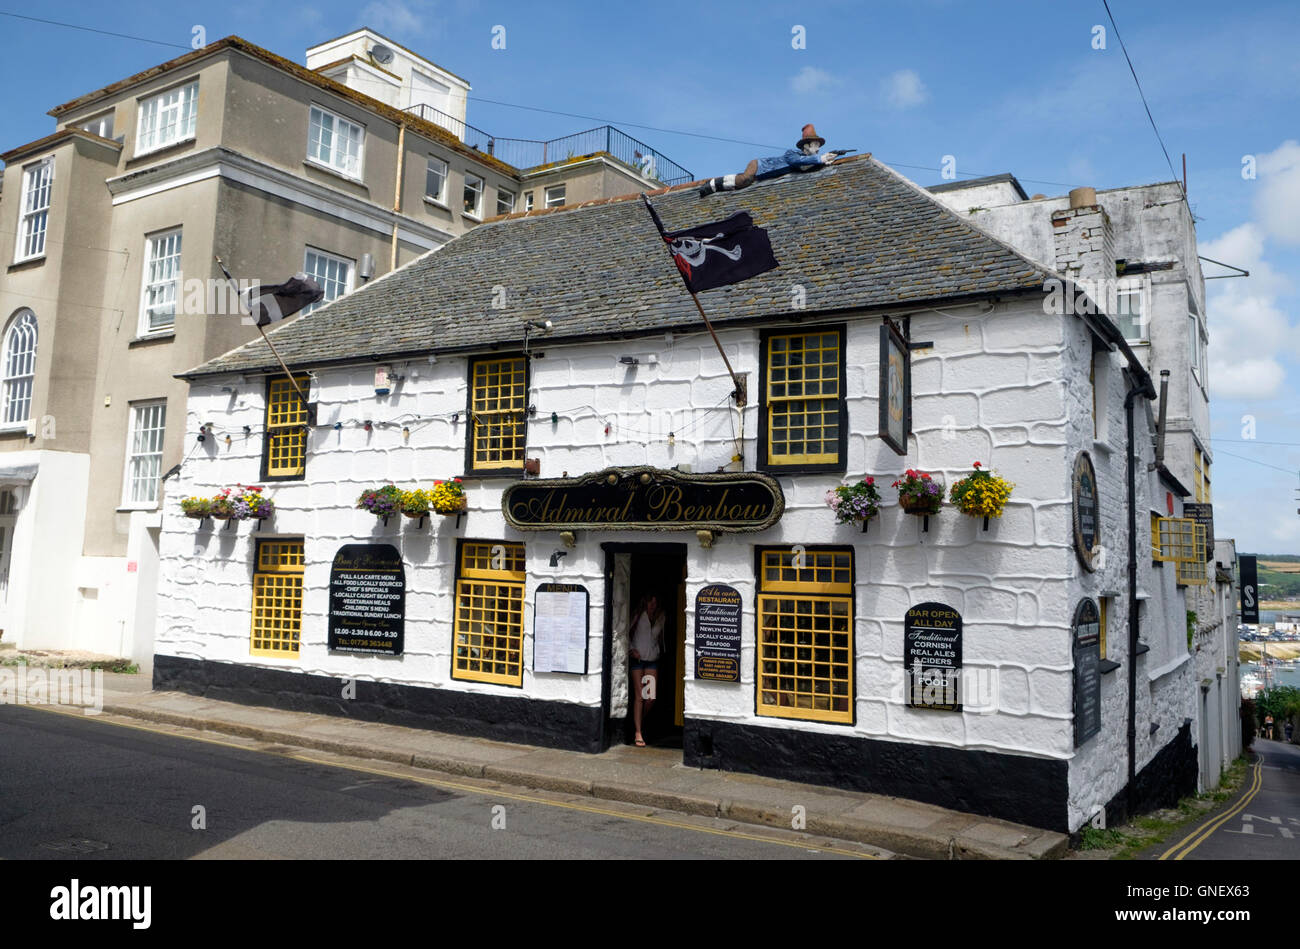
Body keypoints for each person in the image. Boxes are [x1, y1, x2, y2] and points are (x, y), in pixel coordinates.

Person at [698, 124, 850, 196]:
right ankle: (713, 184)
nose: (817, 149)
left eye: (818, 146)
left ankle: (719, 185)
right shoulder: (792, 154)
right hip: (758, 166)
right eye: (815, 145)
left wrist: (827, 159)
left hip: (761, 175)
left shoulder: (805, 160)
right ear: (806, 145)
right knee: (744, 179)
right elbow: (798, 163)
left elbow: (806, 167)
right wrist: (820, 158)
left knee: (742, 183)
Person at [629, 593, 665, 747]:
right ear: (645, 601)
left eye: (655, 602)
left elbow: (661, 638)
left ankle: (639, 721)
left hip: (651, 661)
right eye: (651, 601)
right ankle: (638, 732)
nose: (653, 605)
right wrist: (631, 649)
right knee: (640, 697)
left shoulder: (661, 616)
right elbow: (625, 633)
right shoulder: (638, 615)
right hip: (638, 660)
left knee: (650, 697)